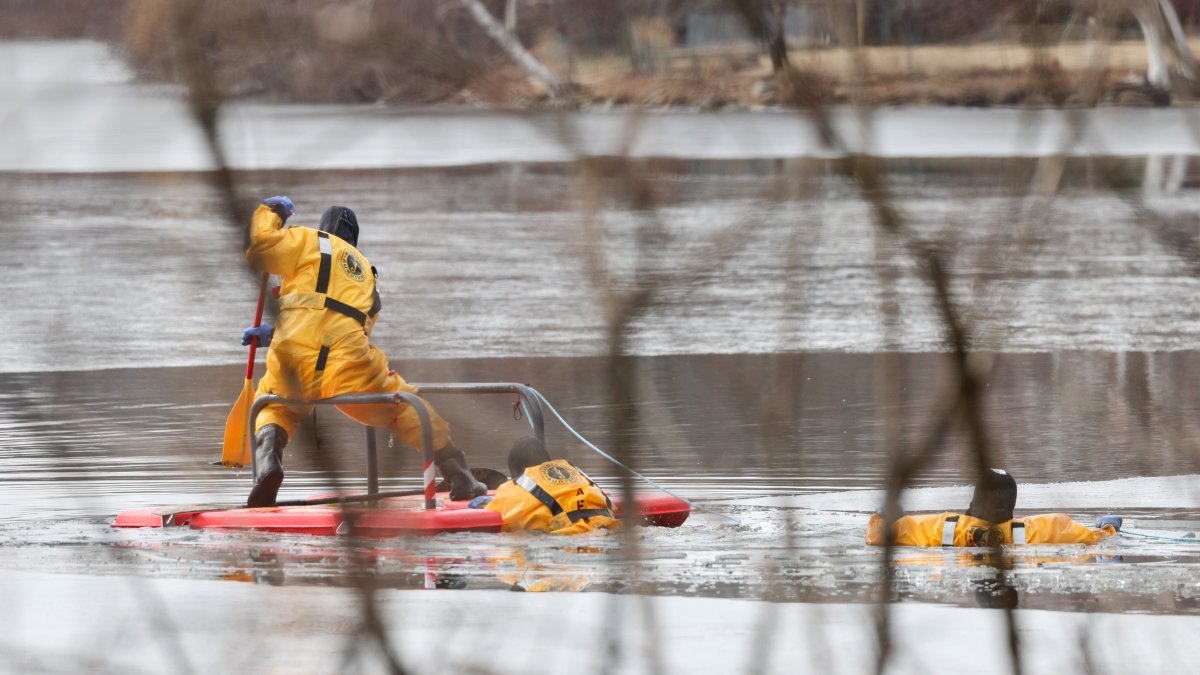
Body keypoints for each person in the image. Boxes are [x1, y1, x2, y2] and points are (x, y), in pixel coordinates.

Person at [240, 196, 487, 507]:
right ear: (353, 238)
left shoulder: (306, 240)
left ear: (324, 228)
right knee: (404, 405)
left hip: (292, 355)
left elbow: (261, 250)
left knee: (273, 403)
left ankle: (268, 465)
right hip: (347, 362)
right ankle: (460, 474)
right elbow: (354, 323)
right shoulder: (368, 274)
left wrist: (272, 212)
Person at [866, 468, 1121, 547]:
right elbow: (1094, 538)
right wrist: (1108, 527)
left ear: (974, 502)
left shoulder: (941, 528)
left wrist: (886, 515)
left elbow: (877, 536)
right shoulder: (1046, 528)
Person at [470, 436, 618, 535]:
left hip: (568, 538)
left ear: (516, 469)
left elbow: (498, 516)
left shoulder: (517, 485)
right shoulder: (573, 470)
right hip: (607, 527)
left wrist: (480, 502)